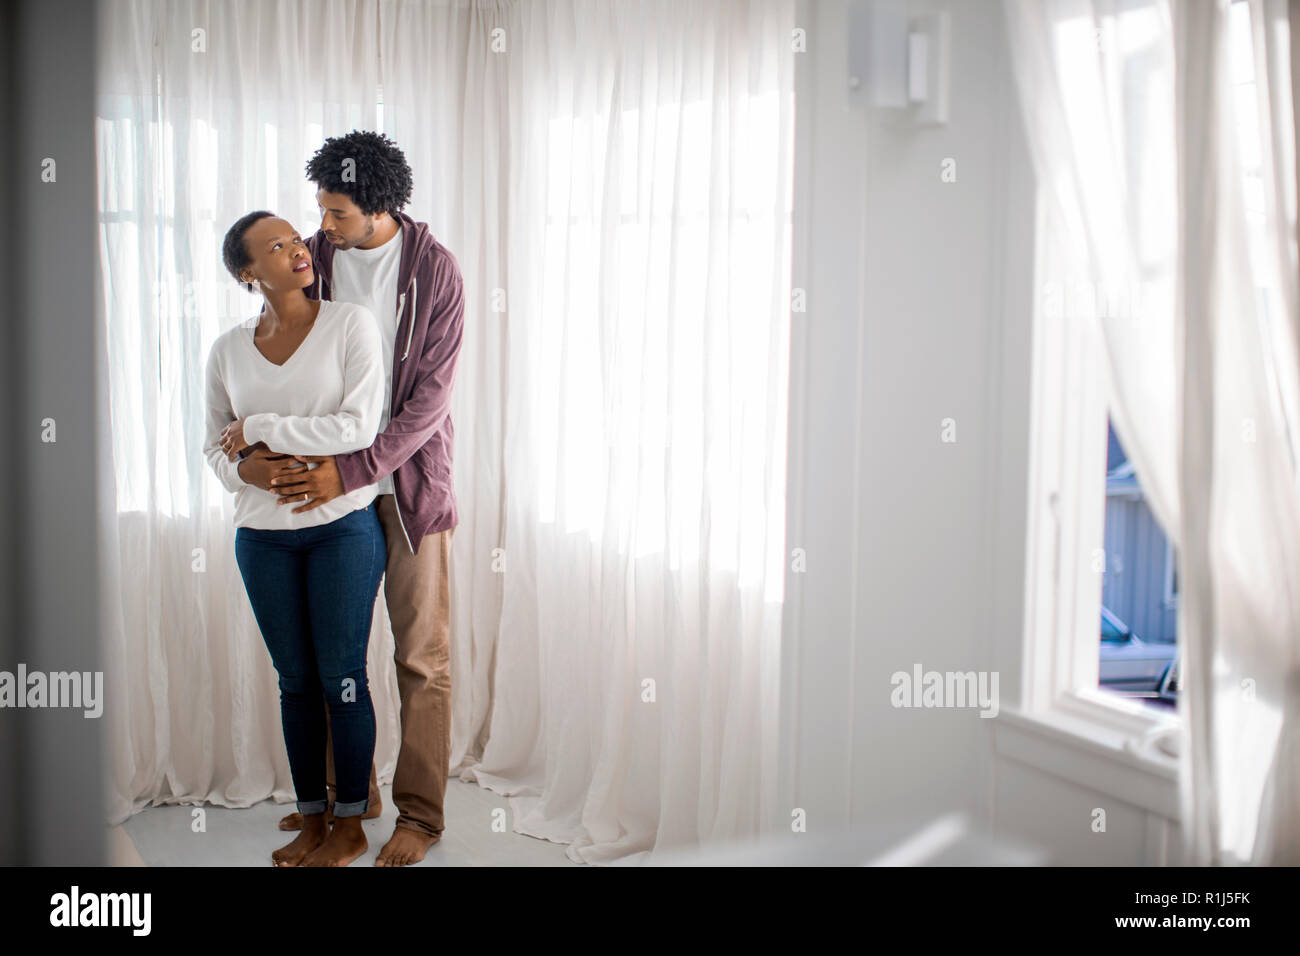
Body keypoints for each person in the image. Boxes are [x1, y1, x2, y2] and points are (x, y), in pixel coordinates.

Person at [238, 131, 465, 867]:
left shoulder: (436, 272)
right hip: (324, 486)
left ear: (379, 207)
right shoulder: (318, 256)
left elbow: (428, 401)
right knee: (336, 655)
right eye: (321, 212)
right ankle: (347, 801)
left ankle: (420, 818)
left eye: (336, 213)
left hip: (404, 484)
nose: (321, 228)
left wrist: (358, 468)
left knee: (420, 658)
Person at [204, 210, 387, 867]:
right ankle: (311, 816)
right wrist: (243, 468)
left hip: (342, 530)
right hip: (262, 537)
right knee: (296, 682)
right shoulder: (227, 349)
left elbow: (359, 427)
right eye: (275, 247)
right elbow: (215, 447)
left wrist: (263, 426)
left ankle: (352, 823)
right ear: (248, 273)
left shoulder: (349, 325)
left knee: (342, 676)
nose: (297, 250)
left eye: (294, 239)